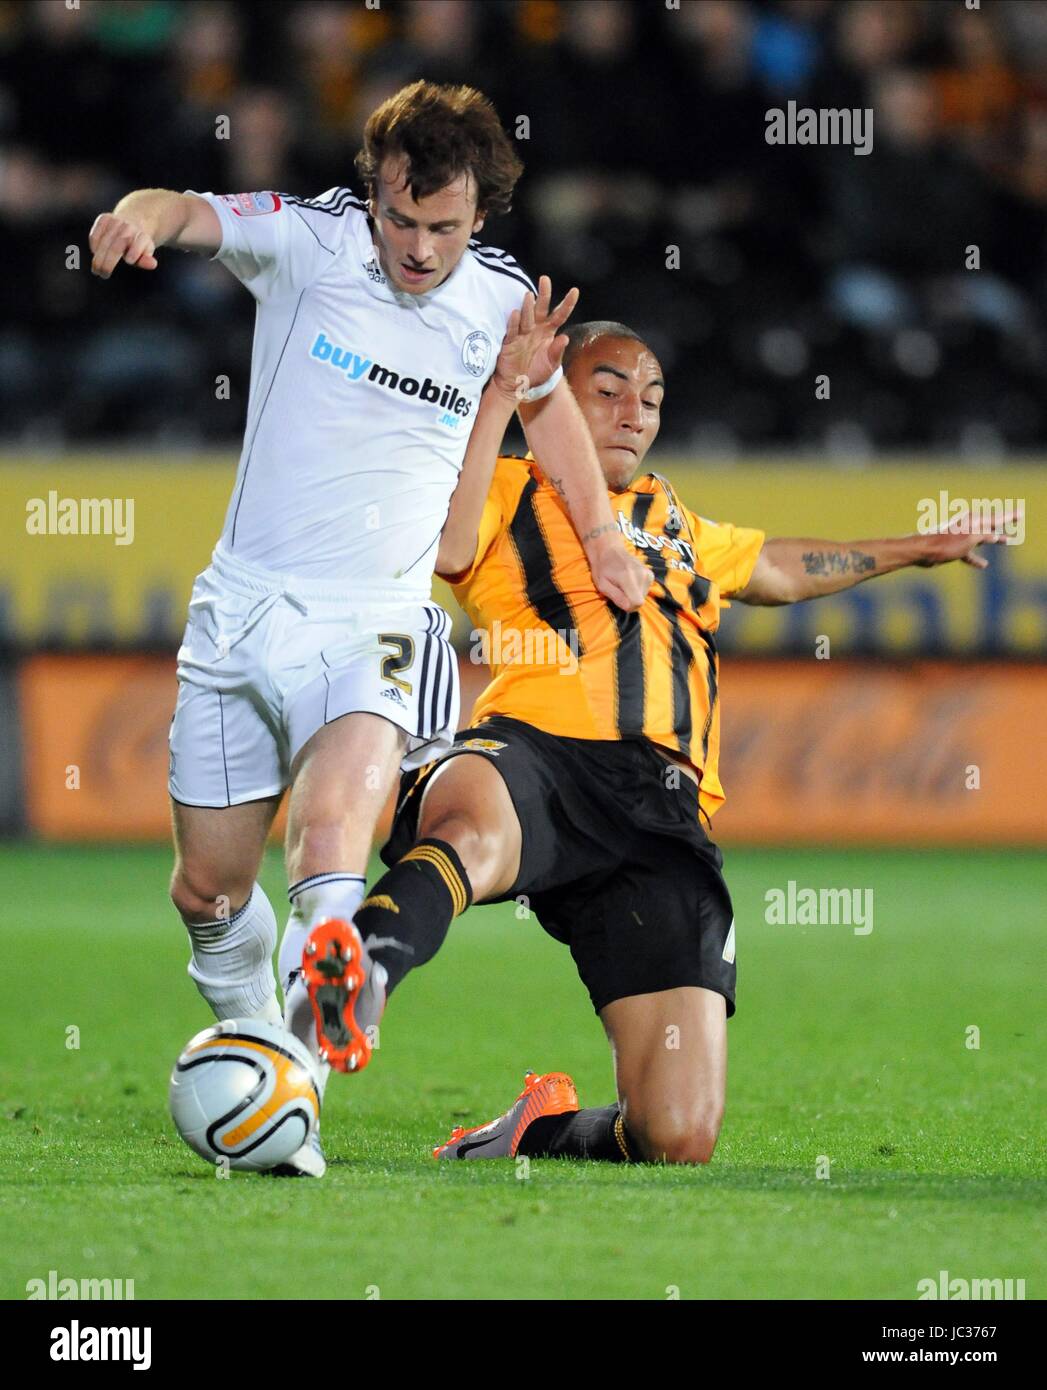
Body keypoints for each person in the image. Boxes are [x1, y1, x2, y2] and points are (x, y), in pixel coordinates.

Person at [88, 82, 649, 1177]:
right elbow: (187, 207)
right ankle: (264, 1033)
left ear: (479, 213)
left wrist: (602, 537)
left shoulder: (499, 304)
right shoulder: (307, 242)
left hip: (384, 617)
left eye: (446, 226)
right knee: (207, 891)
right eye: (404, 220)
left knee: (337, 817)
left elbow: (553, 418)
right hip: (245, 610)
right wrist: (135, 218)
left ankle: (312, 1033)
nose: (422, 247)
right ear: (374, 193)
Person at [302, 317, 1014, 1166]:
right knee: (471, 828)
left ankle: (534, 1132)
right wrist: (503, 393)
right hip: (536, 748)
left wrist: (912, 550)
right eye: (606, 392)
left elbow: (777, 567)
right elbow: (449, 548)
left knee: (676, 1135)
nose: (633, 413)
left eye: (650, 398)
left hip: (662, 810)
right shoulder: (508, 484)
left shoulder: (674, 518)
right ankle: (361, 971)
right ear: (554, 393)